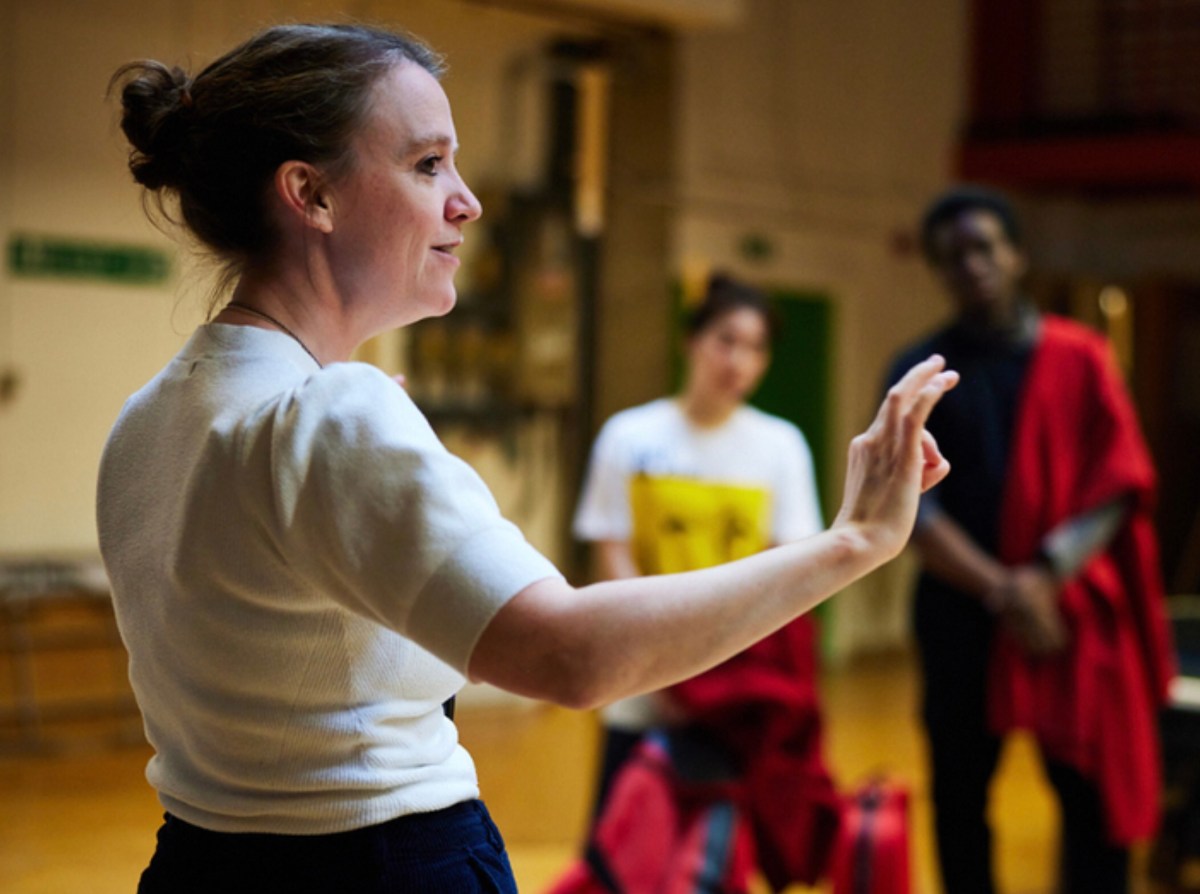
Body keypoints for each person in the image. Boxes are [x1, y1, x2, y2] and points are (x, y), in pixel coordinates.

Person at [99, 22, 956, 894]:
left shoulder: (148, 417)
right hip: (380, 865)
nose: (465, 201)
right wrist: (856, 541)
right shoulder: (328, 414)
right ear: (310, 195)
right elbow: (568, 658)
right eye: (428, 165)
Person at [885, 185, 1175, 894]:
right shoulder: (918, 370)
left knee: (1086, 792)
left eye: (984, 247)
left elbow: (1118, 481)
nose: (971, 265)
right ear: (937, 271)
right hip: (962, 614)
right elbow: (908, 508)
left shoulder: (1080, 359)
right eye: (951, 256)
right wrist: (1002, 590)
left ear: (1016, 254)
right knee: (959, 795)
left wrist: (1045, 575)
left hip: (1066, 613)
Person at [562, 273, 839, 891]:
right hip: (641, 690)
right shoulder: (630, 436)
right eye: (726, 340)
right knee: (619, 864)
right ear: (691, 340)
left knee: (707, 872)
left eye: (756, 347)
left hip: (732, 699)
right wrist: (657, 661)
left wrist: (715, 672)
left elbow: (788, 575)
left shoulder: (780, 447)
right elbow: (613, 557)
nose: (738, 361)